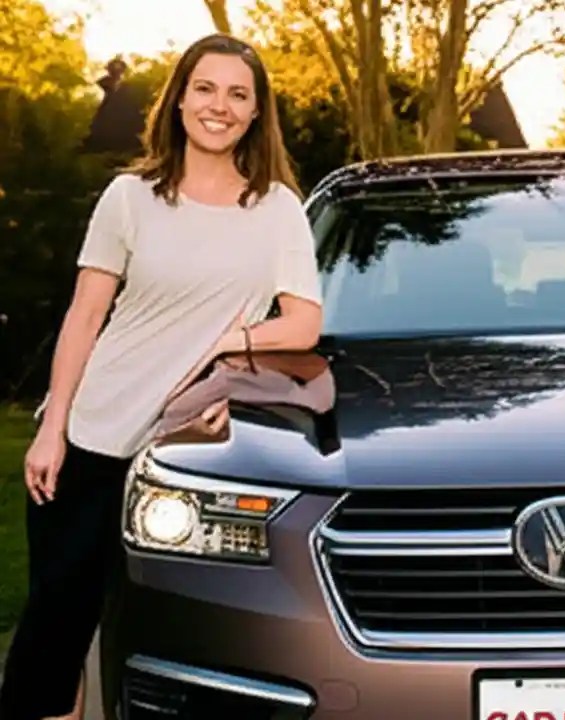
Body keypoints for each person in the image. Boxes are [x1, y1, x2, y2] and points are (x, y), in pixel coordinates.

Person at [0, 34, 323, 720]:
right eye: (206, 88)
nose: (220, 106)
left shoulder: (278, 211)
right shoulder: (130, 197)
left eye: (239, 95)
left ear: (257, 113)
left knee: (161, 638)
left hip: (181, 457)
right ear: (178, 98)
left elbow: (300, 325)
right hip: (91, 441)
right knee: (54, 637)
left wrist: (226, 353)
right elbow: (84, 317)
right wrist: (52, 428)